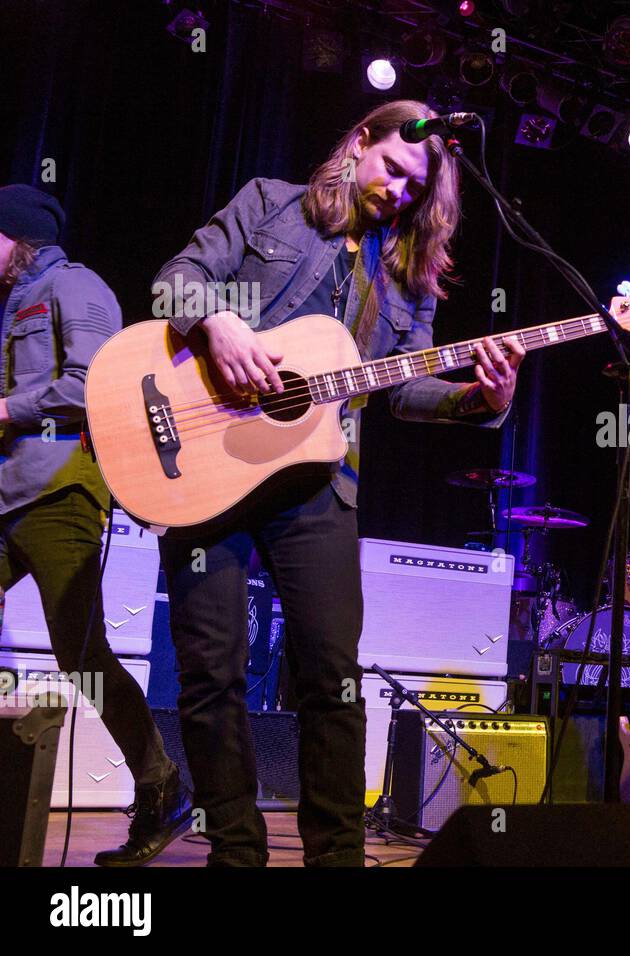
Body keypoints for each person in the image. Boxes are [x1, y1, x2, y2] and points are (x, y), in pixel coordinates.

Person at [152, 100, 524, 866]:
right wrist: (217, 323)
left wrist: (480, 400)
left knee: (332, 676)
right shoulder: (267, 203)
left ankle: (336, 858)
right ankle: (236, 851)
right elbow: (174, 281)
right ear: (359, 143)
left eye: (416, 189)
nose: (398, 192)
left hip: (321, 482)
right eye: (393, 169)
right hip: (203, 462)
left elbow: (401, 390)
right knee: (210, 670)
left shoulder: (408, 278)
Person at [0, 184, 191, 866]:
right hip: (5, 493)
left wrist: (4, 408)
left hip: (58, 493)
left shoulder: (75, 287)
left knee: (84, 659)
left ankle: (160, 784)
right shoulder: (8, 304)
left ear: (18, 236)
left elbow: (89, 386)